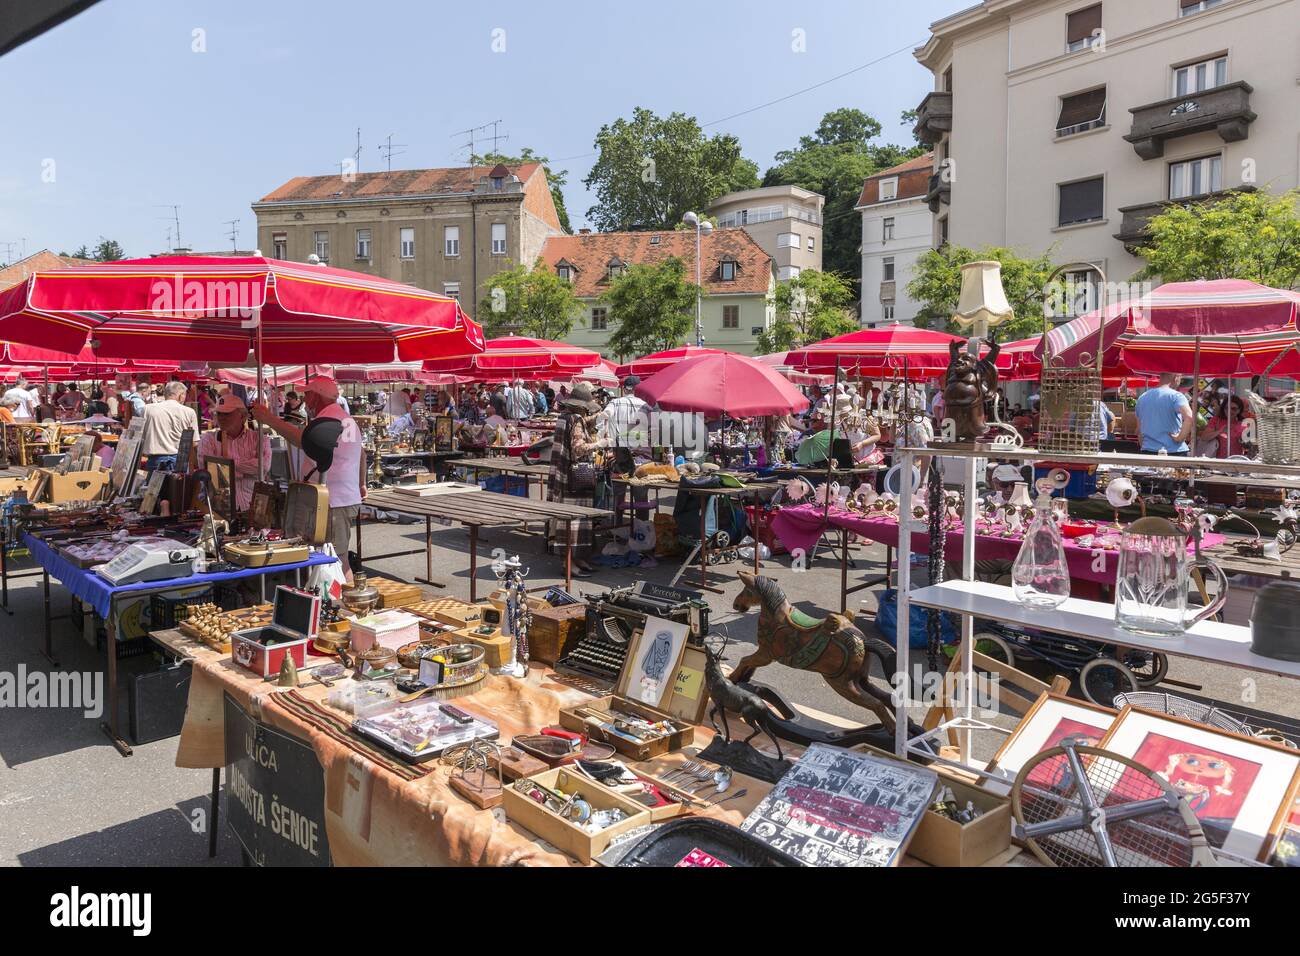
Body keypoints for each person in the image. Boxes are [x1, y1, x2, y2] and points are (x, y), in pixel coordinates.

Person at [251, 377, 365, 585]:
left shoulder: (327, 419)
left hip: (331, 500)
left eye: (307, 394)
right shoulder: (344, 418)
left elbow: (302, 440)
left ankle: (343, 606)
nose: (304, 398)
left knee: (335, 559)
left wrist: (269, 419)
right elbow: (362, 454)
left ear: (316, 396)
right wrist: (361, 483)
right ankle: (336, 603)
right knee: (335, 557)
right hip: (339, 498)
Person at [547, 383, 600, 577]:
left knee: (567, 521)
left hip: (562, 478)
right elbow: (578, 448)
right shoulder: (576, 420)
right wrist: (599, 443)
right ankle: (569, 563)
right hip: (574, 479)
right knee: (575, 522)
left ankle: (575, 559)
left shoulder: (563, 417)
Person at [198, 392, 272, 512]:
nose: (221, 418)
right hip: (217, 508)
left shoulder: (259, 438)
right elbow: (211, 472)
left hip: (252, 508)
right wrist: (247, 469)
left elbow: (264, 466)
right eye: (219, 414)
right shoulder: (208, 439)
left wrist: (228, 466)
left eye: (227, 414)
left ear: (243, 417)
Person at [140, 380, 200, 472]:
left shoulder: (147, 409)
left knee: (154, 486)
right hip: (180, 460)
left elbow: (139, 437)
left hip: (154, 460)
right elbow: (194, 442)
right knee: (178, 486)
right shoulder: (189, 412)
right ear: (181, 395)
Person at [1135, 373, 1193, 455]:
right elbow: (1189, 417)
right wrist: (1180, 438)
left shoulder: (1142, 397)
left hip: (1148, 450)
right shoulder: (1176, 396)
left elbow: (1139, 430)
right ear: (1176, 377)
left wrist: (1144, 446)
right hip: (1174, 451)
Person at [598, 375, 650, 451]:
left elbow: (603, 418)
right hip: (640, 452)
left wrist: (606, 433)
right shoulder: (646, 406)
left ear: (624, 389)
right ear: (639, 389)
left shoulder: (615, 403)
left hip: (617, 453)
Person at [1199, 394, 1251, 458]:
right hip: (1216, 461)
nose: (1230, 411)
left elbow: (1248, 446)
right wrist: (1219, 432)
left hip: (1235, 460)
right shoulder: (1216, 420)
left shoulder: (1244, 423)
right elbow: (1204, 437)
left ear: (1239, 410)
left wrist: (1245, 441)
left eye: (1233, 409)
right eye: (1227, 408)